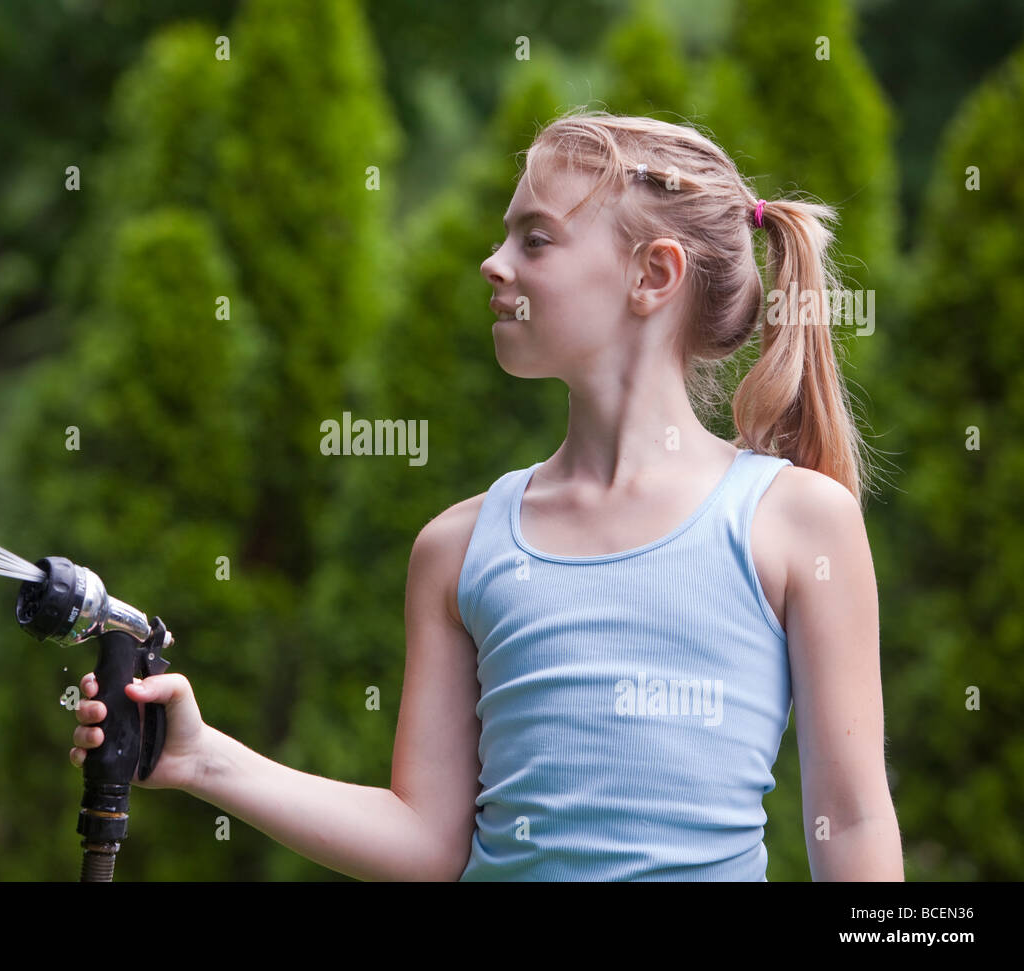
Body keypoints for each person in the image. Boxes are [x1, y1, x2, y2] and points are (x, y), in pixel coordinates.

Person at [70, 110, 904, 881]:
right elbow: (426, 839)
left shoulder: (796, 521)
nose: (493, 262)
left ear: (654, 273)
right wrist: (204, 756)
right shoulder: (460, 547)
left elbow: (857, 821)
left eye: (535, 238)